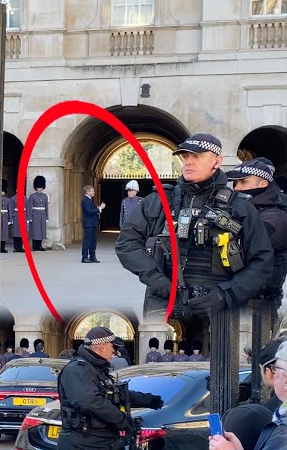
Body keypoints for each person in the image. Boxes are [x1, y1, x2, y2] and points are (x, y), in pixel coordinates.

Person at [115, 134, 272, 328]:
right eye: (186, 157)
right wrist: (155, 278)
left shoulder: (240, 207)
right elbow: (126, 243)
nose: (188, 162)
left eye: (196, 156)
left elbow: (262, 262)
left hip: (217, 306)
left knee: (219, 356)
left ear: (217, 161)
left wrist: (226, 294)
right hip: (164, 302)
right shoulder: (159, 201)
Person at [228, 157, 287, 308]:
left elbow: (245, 246)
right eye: (235, 183)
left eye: (243, 182)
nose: (236, 188)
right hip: (240, 296)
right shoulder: (248, 208)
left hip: (260, 303)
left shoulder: (276, 217)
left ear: (263, 184)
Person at [81, 185, 103, 264]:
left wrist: (98, 208)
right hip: (88, 224)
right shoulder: (85, 200)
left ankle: (92, 256)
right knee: (87, 241)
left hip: (93, 223)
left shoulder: (89, 200)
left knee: (93, 241)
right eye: (92, 191)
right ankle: (85, 257)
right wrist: (99, 208)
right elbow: (89, 211)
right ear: (88, 192)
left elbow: (92, 209)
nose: (94, 192)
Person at [27, 176, 49, 251]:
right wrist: (29, 217)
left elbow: (46, 207)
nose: (40, 189)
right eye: (38, 187)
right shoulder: (32, 196)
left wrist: (47, 217)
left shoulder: (45, 196)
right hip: (35, 214)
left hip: (42, 215)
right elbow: (30, 207)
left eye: (41, 187)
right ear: (36, 188)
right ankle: (34, 246)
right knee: (35, 231)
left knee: (41, 230)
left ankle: (39, 245)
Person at [0, 179, 16, 253]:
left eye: (3, 191)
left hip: (5, 217)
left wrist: (10, 219)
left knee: (4, 233)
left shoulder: (7, 200)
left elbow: (10, 209)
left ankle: (3, 248)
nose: (2, 192)